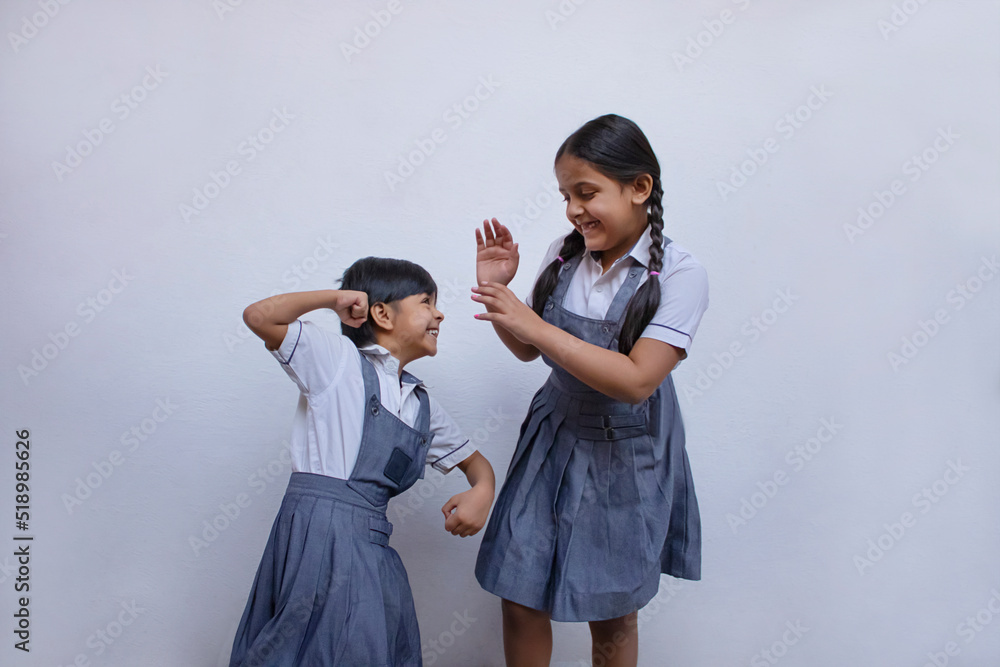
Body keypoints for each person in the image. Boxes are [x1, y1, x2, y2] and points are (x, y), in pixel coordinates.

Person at [470, 114, 709, 667]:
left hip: (623, 448)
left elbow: (636, 380)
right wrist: (497, 292)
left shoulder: (679, 273)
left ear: (639, 188)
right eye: (565, 196)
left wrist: (533, 325)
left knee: (612, 612)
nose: (574, 210)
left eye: (586, 193)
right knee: (520, 594)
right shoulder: (565, 252)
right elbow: (530, 350)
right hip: (553, 434)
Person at [230, 256, 495, 667]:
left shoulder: (421, 403)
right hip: (318, 534)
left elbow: (478, 465)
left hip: (372, 546)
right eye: (426, 301)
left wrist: (483, 490)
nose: (439, 313)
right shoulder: (336, 361)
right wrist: (334, 299)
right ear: (382, 313)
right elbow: (258, 316)